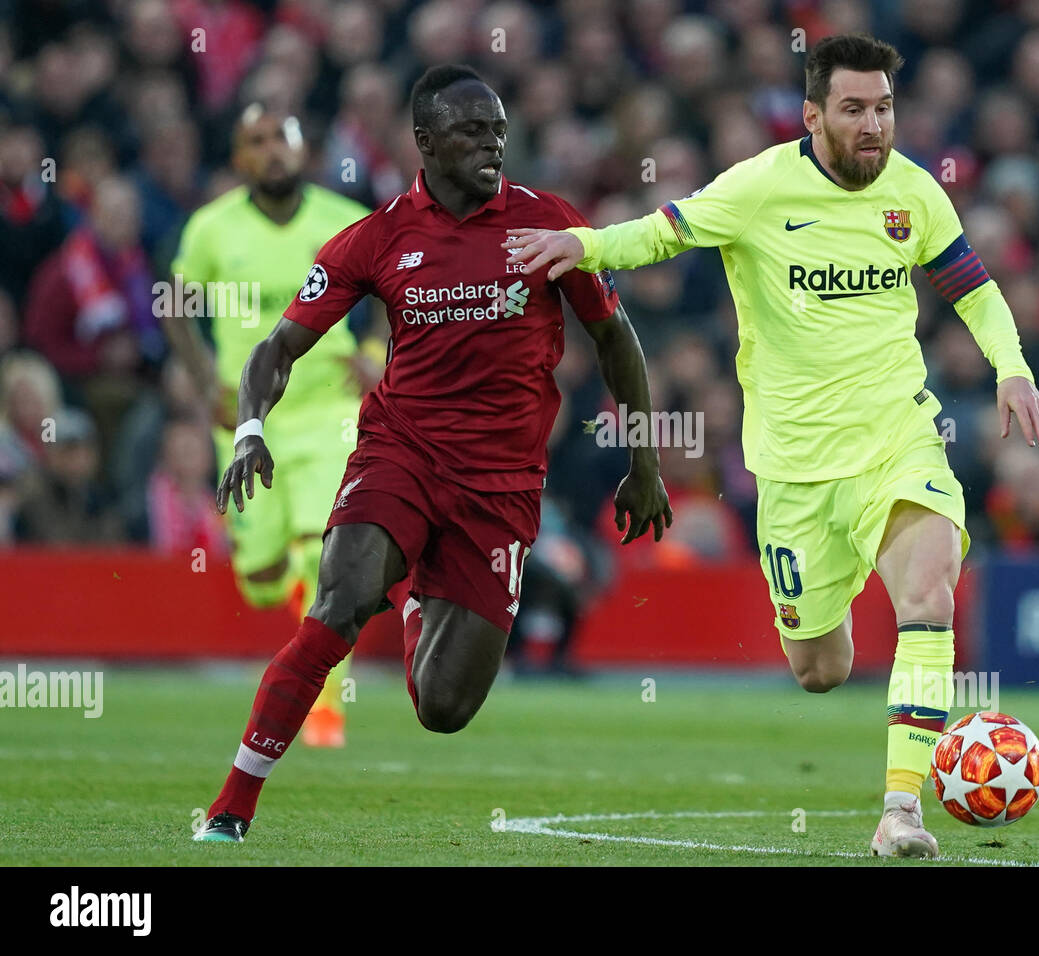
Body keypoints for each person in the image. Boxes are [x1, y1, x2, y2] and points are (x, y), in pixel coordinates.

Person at [505, 34, 1039, 859]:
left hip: (897, 440)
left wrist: (1011, 371)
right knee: (819, 668)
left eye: (883, 107)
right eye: (854, 109)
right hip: (796, 471)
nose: (874, 124)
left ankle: (900, 812)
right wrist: (584, 245)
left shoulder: (915, 193)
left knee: (930, 596)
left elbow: (973, 291)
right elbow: (664, 233)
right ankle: (839, 663)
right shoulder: (762, 186)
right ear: (814, 114)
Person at [193, 65, 671, 842]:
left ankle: (420, 596)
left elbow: (615, 337)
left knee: (443, 709)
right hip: (399, 452)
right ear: (425, 143)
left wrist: (643, 462)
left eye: (500, 131)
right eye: (473, 131)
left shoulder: (546, 223)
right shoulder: (377, 236)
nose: (493, 145)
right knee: (338, 606)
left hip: (502, 484)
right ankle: (231, 806)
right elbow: (276, 348)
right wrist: (249, 428)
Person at [167, 105, 379, 747]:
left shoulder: (341, 221)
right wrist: (206, 382)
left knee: (323, 551)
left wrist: (373, 356)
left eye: (283, 140)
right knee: (261, 578)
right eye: (256, 143)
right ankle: (276, 576)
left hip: (326, 411)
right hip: (248, 414)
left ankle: (322, 709)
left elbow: (399, 290)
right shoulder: (211, 228)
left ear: (303, 150)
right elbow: (175, 304)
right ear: (240, 159)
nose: (272, 152)